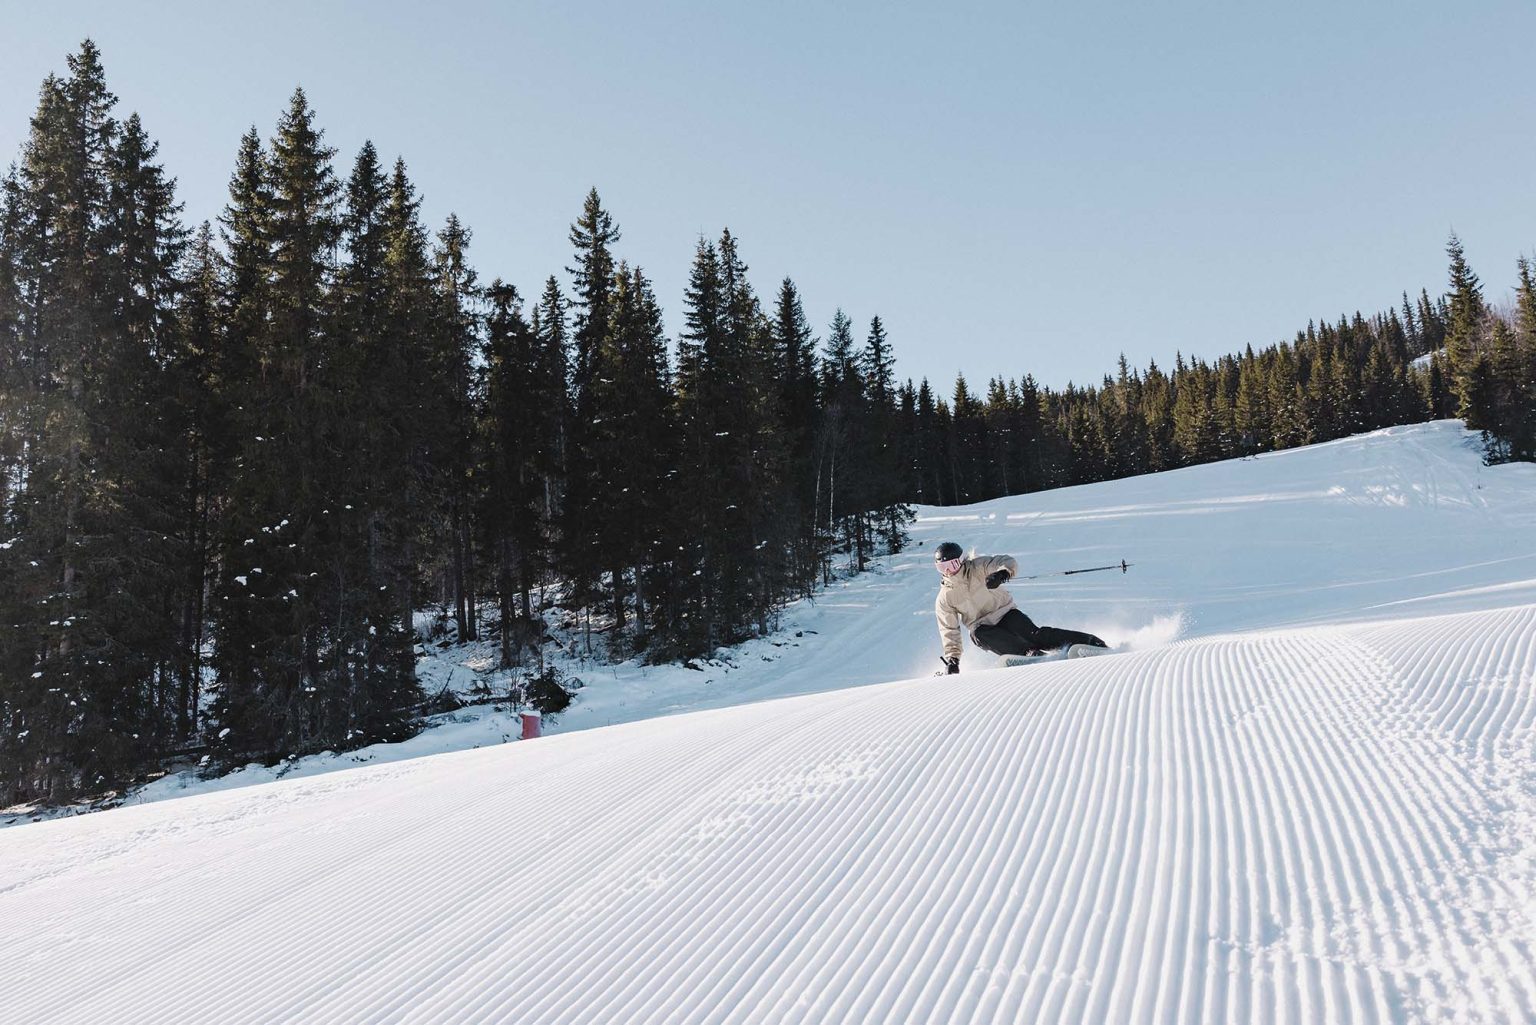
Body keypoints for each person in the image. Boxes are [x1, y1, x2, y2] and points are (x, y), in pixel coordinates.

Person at [933, 540, 1107, 673]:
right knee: (980, 634)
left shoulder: (978, 566)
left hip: (1005, 613)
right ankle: (1029, 654)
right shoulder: (945, 598)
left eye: (952, 565)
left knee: (1035, 635)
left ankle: (1089, 642)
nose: (948, 571)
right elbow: (949, 630)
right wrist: (953, 660)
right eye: (942, 567)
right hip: (982, 627)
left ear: (962, 561)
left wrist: (1002, 573)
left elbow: (1006, 561)